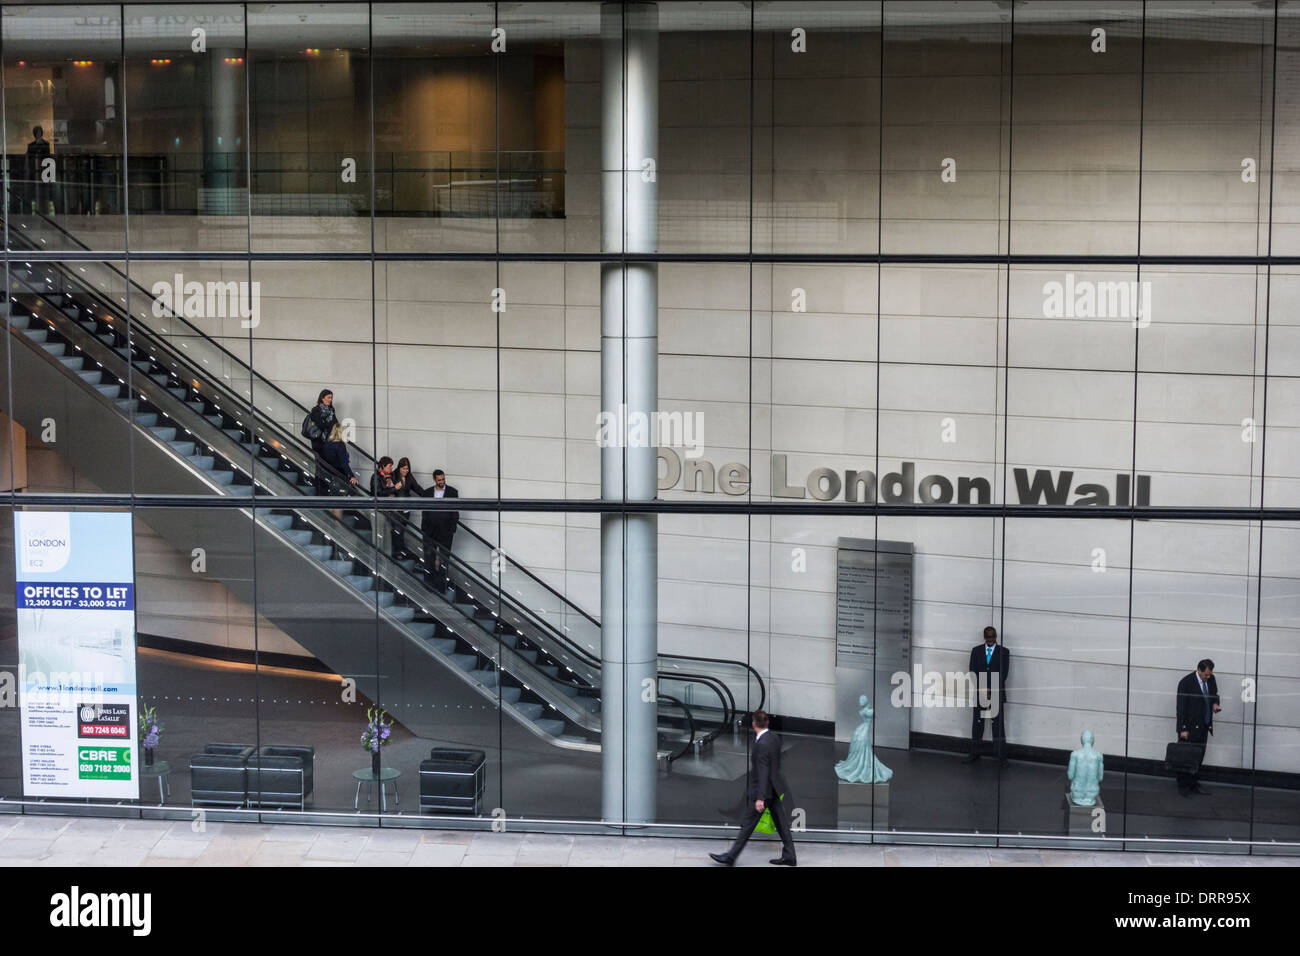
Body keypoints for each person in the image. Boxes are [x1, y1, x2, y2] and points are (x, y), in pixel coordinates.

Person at [709, 710, 797, 867]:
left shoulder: (761, 744)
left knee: (747, 825)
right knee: (782, 824)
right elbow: (773, 766)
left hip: (763, 791)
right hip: (774, 787)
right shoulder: (774, 738)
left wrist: (760, 798)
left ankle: (731, 857)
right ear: (767, 722)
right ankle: (790, 855)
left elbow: (763, 771)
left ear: (754, 724)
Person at [964, 625, 1009, 765]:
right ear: (984, 637)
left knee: (998, 726)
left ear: (996, 636)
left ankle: (1001, 758)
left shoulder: (1004, 652)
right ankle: (975, 753)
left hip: (996, 693)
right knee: (977, 725)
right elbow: (972, 671)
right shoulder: (976, 651)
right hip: (980, 693)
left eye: (993, 636)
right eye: (988, 636)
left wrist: (991, 689)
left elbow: (1004, 673)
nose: (991, 639)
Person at [1175, 659, 1220, 797]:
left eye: (1210, 674)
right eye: (1206, 674)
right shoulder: (1186, 683)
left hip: (1204, 725)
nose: (1208, 677)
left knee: (1198, 756)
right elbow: (1181, 707)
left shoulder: (1211, 679)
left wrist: (1215, 704)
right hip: (1189, 727)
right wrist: (1183, 728)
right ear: (1199, 670)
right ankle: (1183, 785)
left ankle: (1194, 783)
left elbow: (1214, 695)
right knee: (1186, 756)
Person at [421, 469, 459, 589]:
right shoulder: (427, 493)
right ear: (434, 480)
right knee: (429, 558)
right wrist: (425, 528)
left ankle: (441, 585)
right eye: (439, 480)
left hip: (445, 531)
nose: (442, 481)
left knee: (444, 559)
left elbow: (455, 512)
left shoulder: (452, 492)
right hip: (430, 531)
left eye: (443, 479)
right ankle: (429, 584)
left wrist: (452, 528)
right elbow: (424, 512)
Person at [305, 389, 338, 494]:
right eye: (328, 397)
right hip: (318, 443)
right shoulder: (316, 410)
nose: (330, 400)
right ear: (322, 398)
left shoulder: (331, 410)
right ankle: (319, 489)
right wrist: (328, 424)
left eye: (331, 398)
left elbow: (336, 425)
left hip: (328, 443)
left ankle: (326, 487)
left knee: (328, 465)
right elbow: (320, 425)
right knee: (320, 465)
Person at [392, 457, 424, 559]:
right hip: (396, 508)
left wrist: (429, 495)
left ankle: (401, 550)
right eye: (403, 469)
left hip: (406, 508)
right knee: (397, 530)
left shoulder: (409, 477)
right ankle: (397, 552)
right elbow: (390, 490)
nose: (405, 471)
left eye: (407, 468)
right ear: (399, 468)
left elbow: (417, 488)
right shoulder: (393, 475)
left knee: (402, 529)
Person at [319, 423, 359, 493]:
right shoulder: (340, 445)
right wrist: (351, 476)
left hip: (328, 474)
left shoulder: (326, 444)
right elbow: (344, 464)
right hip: (339, 475)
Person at [26, 125, 51, 215]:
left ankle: (45, 211)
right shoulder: (31, 145)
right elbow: (29, 157)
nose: (38, 134)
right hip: (34, 173)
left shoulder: (46, 144)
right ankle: (35, 212)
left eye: (40, 132)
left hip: (44, 173)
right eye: (37, 133)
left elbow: (47, 156)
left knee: (44, 194)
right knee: (34, 194)